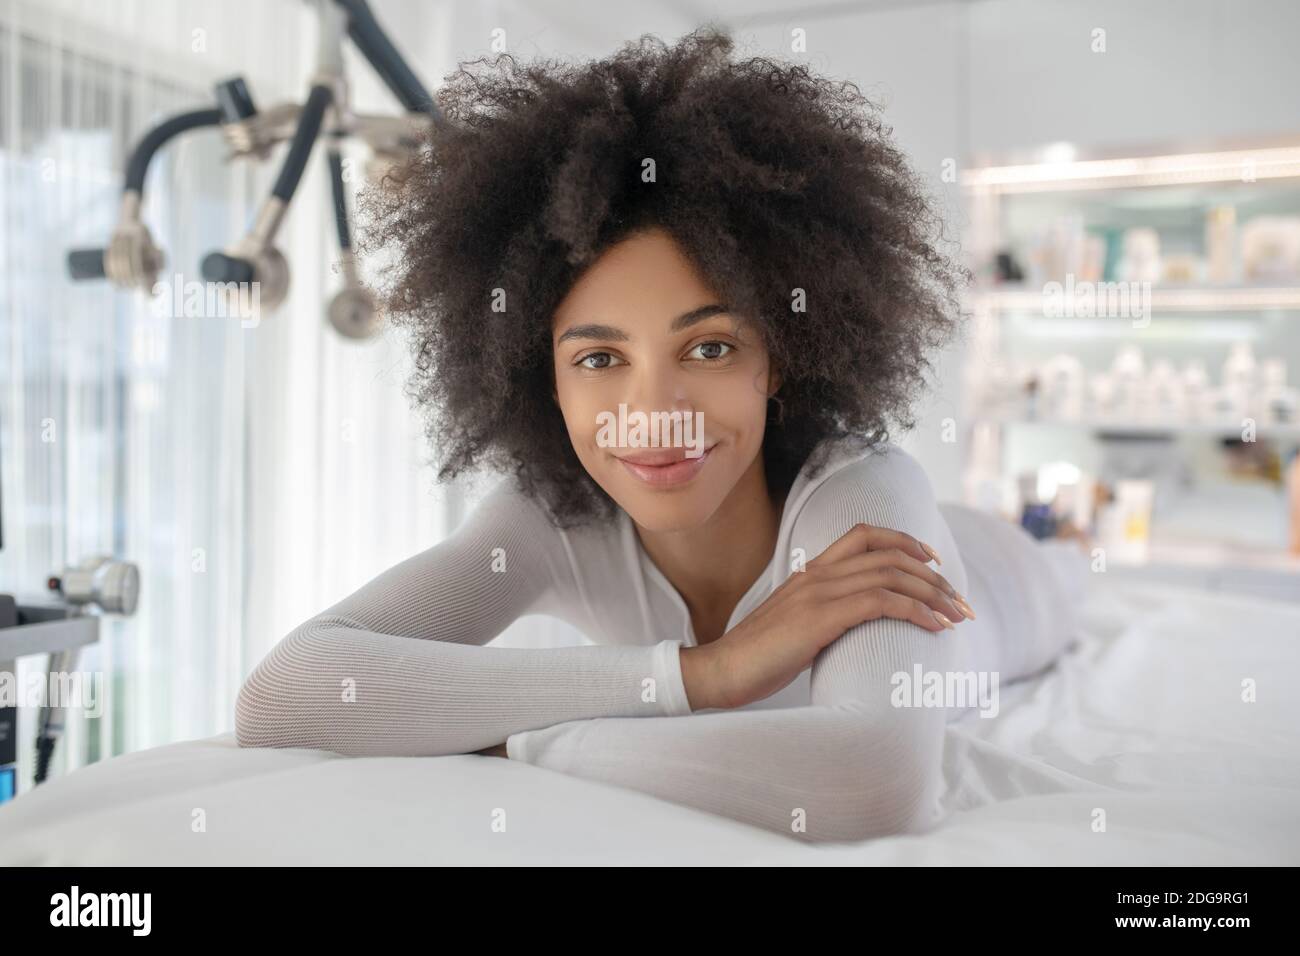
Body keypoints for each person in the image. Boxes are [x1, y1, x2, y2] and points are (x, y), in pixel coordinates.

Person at [235, 27, 1085, 843]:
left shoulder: (868, 500)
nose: (655, 412)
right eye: (601, 358)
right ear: (546, 379)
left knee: (1068, 564)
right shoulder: (547, 515)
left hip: (1015, 579)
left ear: (779, 358)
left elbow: (870, 783)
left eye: (709, 348)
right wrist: (695, 676)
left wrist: (519, 743)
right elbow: (285, 692)